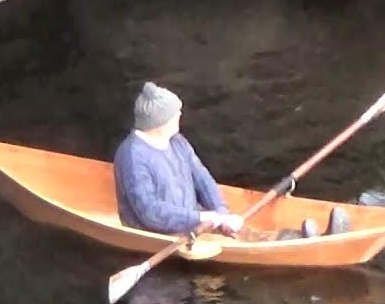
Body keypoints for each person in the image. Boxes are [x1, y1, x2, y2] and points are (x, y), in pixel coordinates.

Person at [114, 82, 350, 240]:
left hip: (193, 220)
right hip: (161, 231)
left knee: (244, 232)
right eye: (175, 113)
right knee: (247, 240)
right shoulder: (133, 157)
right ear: (159, 121)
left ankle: (308, 237)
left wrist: (220, 211)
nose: (180, 116)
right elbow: (149, 212)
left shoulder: (177, 141)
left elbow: (201, 176)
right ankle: (308, 244)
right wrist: (204, 217)